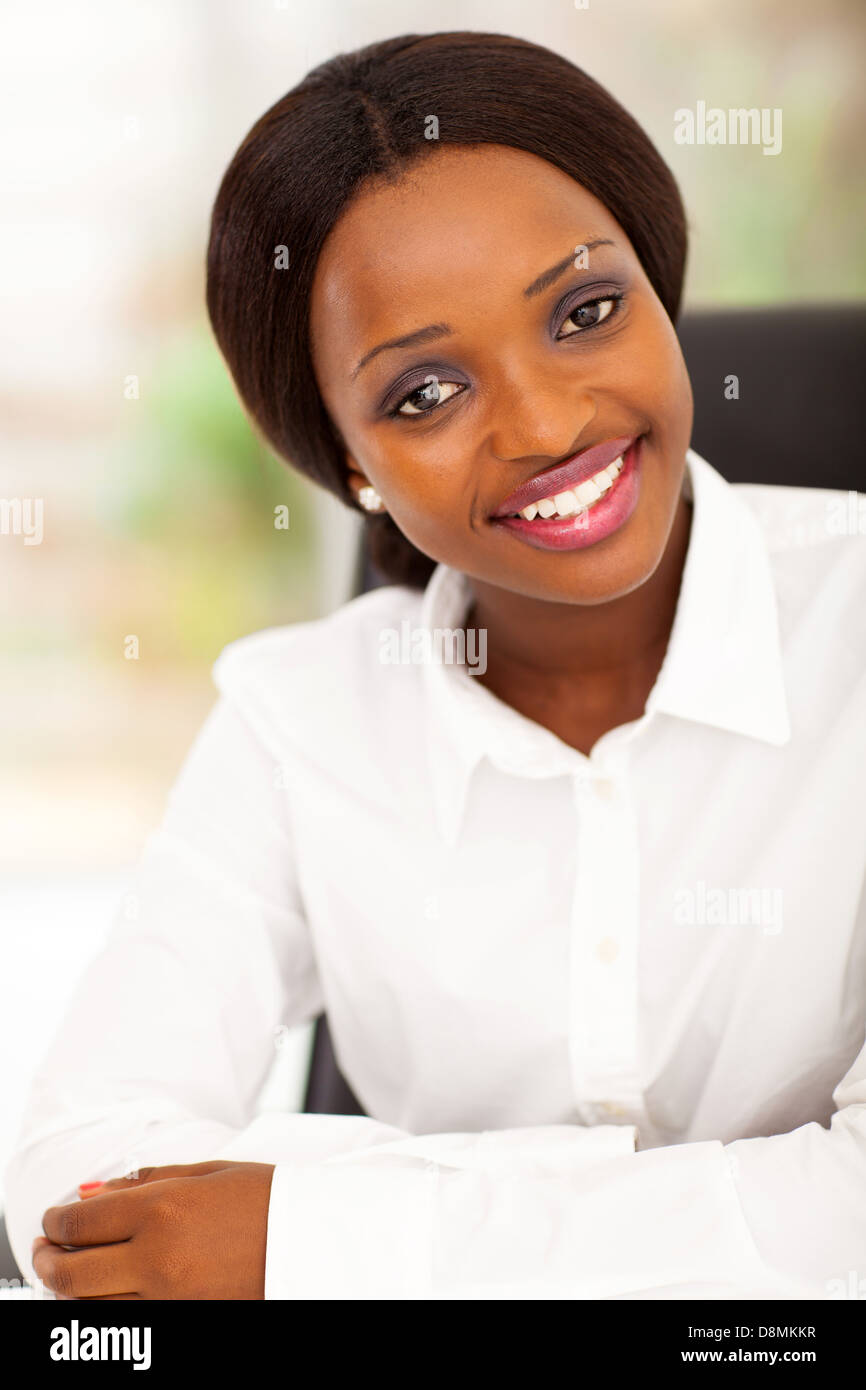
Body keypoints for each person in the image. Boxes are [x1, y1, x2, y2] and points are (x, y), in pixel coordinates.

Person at [6, 31, 865, 1301]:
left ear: (657, 285)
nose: (545, 425)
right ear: (347, 463)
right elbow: (69, 1181)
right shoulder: (294, 722)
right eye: (421, 393)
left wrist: (328, 1241)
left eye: (584, 312)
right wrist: (721, 1209)